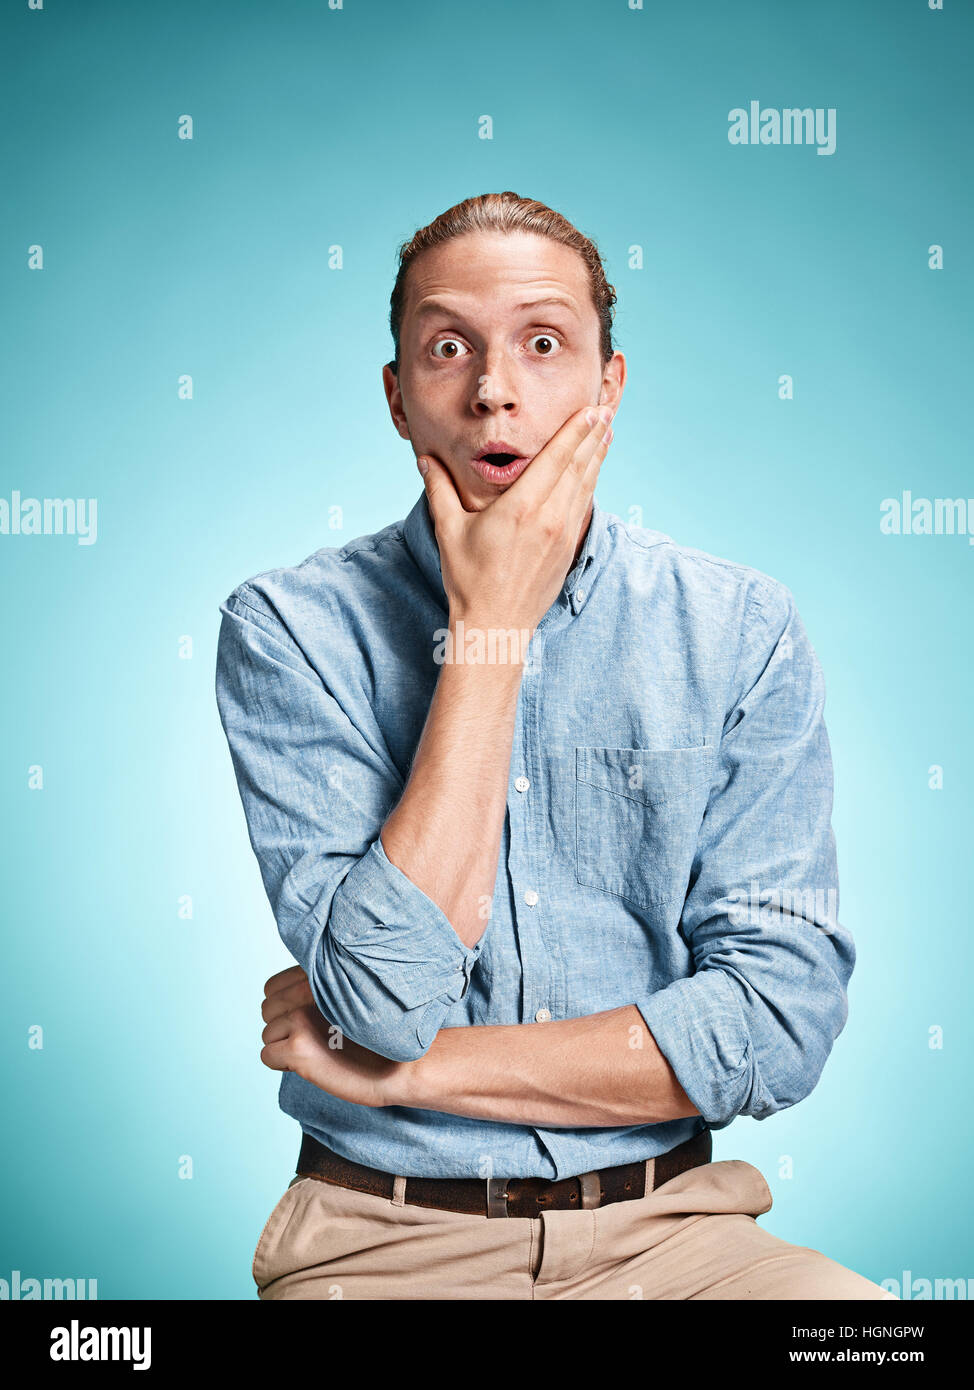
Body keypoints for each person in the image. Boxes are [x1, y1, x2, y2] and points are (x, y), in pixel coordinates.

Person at [215, 191, 896, 1301]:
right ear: (397, 399)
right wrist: (487, 631)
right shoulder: (291, 630)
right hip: (384, 1245)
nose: (494, 387)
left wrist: (407, 1070)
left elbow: (776, 1023)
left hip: (675, 1234)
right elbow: (382, 996)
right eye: (448, 347)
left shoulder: (738, 628)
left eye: (542, 342)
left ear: (606, 386)